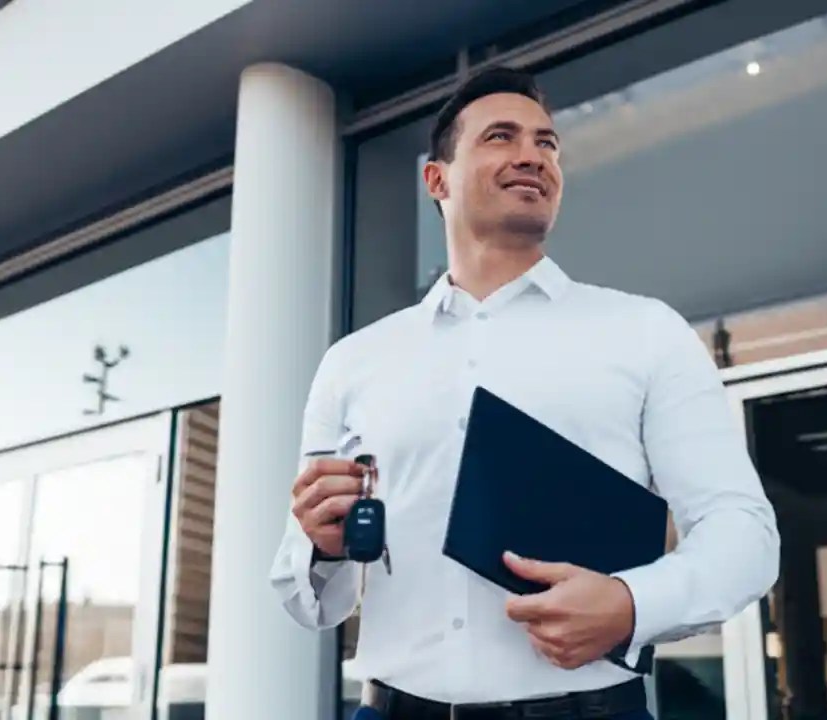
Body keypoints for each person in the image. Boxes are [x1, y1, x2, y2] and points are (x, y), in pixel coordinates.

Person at [270, 65, 780, 720]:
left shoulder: (644, 332)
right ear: (437, 179)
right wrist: (321, 547)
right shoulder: (352, 363)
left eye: (547, 143)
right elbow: (303, 594)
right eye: (501, 137)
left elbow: (744, 533)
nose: (531, 156)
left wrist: (631, 603)